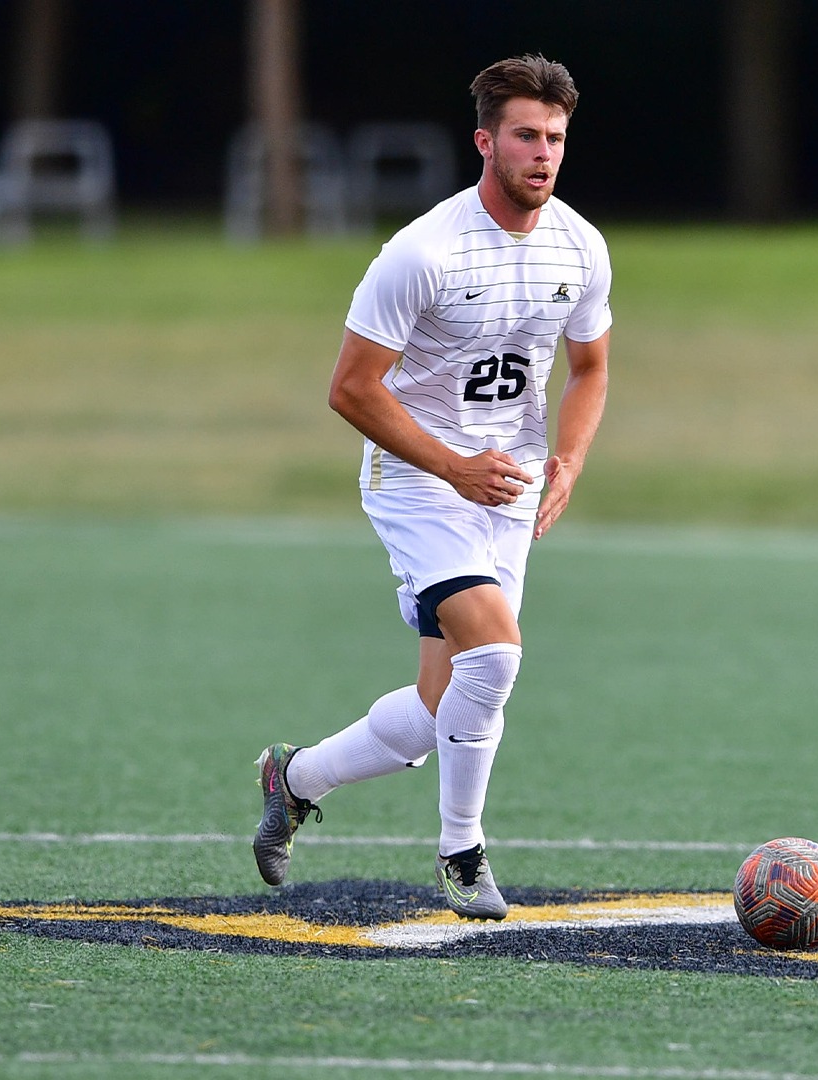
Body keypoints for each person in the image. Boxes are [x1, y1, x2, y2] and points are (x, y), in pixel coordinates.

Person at [251, 55, 612, 921]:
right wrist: (451, 467)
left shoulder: (581, 246)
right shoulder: (423, 252)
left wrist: (569, 459)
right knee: (495, 654)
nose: (543, 153)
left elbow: (591, 368)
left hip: (509, 486)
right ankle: (461, 854)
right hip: (419, 481)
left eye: (556, 137)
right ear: (485, 141)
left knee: (438, 706)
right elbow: (350, 388)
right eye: (526, 135)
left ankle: (293, 777)